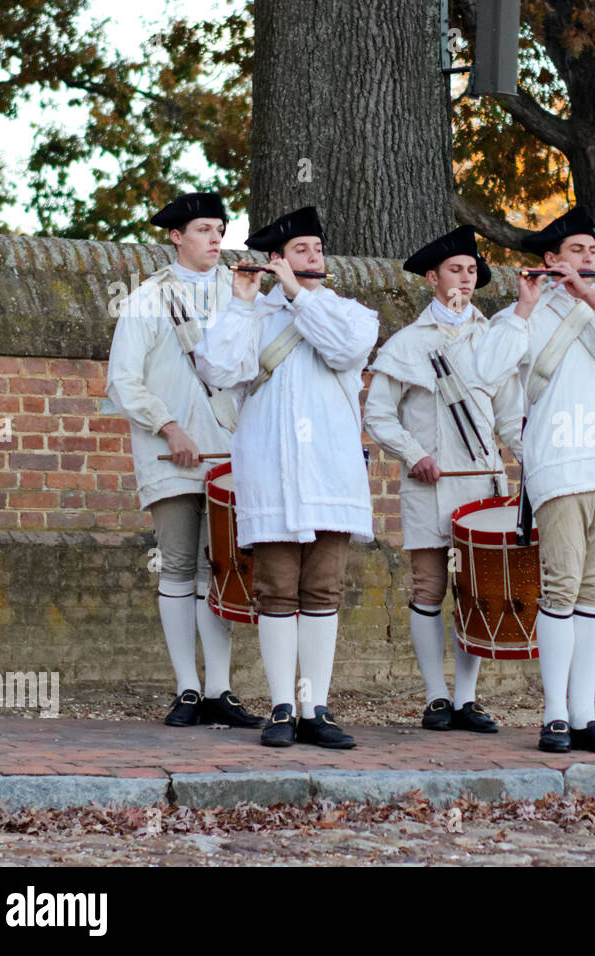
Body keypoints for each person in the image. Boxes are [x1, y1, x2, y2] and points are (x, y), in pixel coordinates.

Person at [473, 206, 595, 754]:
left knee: (594, 593)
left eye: (593, 253)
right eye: (577, 251)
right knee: (559, 590)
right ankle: (554, 715)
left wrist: (593, 296)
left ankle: (585, 716)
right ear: (551, 259)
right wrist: (523, 308)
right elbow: (485, 371)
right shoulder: (524, 315)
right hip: (557, 469)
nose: (588, 259)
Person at [192, 206, 379, 749]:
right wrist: (243, 300)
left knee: (323, 589)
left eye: (317, 250)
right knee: (275, 590)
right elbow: (218, 371)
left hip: (331, 473)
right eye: (301, 251)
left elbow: (345, 349)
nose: (314, 257)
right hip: (272, 474)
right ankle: (280, 709)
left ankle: (314, 707)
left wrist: (299, 294)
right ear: (277, 260)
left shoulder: (351, 312)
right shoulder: (249, 317)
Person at [106, 191, 265, 730]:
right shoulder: (147, 299)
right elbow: (122, 380)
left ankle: (220, 689)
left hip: (230, 453)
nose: (216, 238)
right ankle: (188, 690)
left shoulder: (241, 292)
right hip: (169, 453)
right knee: (177, 567)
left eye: (220, 228)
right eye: (203, 229)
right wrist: (169, 427)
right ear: (176, 237)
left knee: (220, 571)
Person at [364, 226, 523, 733]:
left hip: (483, 484)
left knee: (474, 589)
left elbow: (511, 418)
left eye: (472, 270)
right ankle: (435, 698)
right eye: (455, 268)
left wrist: (529, 463)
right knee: (430, 587)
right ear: (432, 278)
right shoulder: (407, 344)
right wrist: (414, 455)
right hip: (430, 485)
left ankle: (467, 698)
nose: (465, 277)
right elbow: (378, 414)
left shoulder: (494, 338)